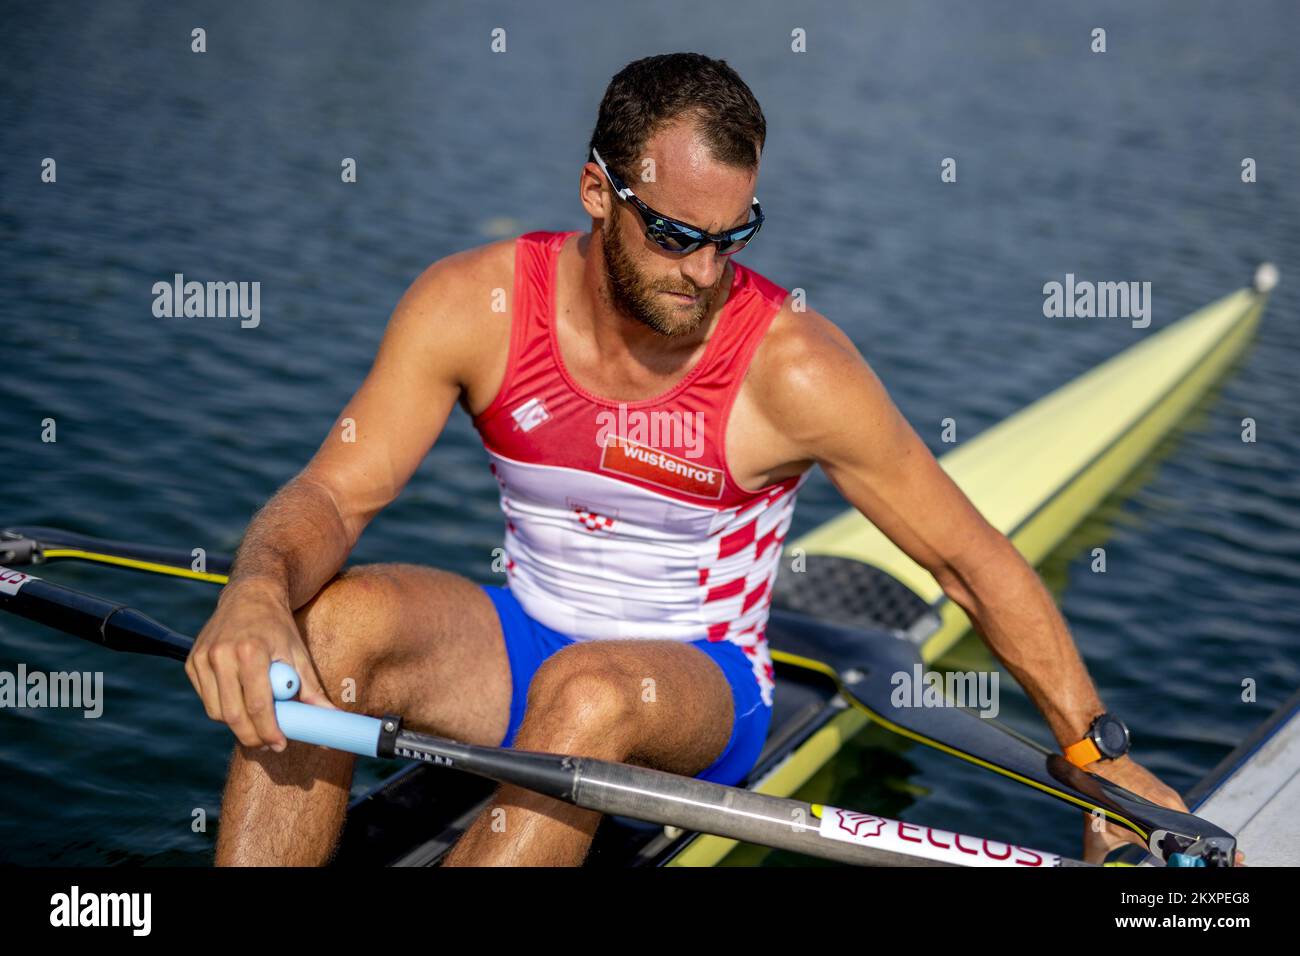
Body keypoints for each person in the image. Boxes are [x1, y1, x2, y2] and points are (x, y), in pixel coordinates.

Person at [190, 52, 1185, 866]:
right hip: (519, 639)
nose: (703, 274)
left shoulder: (792, 367)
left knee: (586, 691)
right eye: (673, 236)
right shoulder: (472, 306)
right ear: (595, 190)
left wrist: (1097, 756)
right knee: (327, 625)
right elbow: (332, 489)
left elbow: (968, 560)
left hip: (700, 687)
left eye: (730, 237)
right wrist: (256, 589)